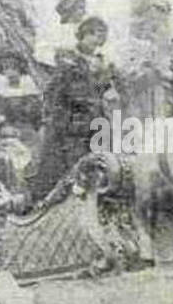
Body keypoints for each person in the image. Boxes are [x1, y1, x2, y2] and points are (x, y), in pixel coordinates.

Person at [28, 17, 119, 197]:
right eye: (96, 35)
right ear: (85, 34)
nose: (99, 42)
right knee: (70, 163)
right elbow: (63, 89)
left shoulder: (99, 61)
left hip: (95, 119)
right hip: (71, 120)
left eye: (103, 37)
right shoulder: (68, 59)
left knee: (98, 160)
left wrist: (105, 83)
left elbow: (96, 91)